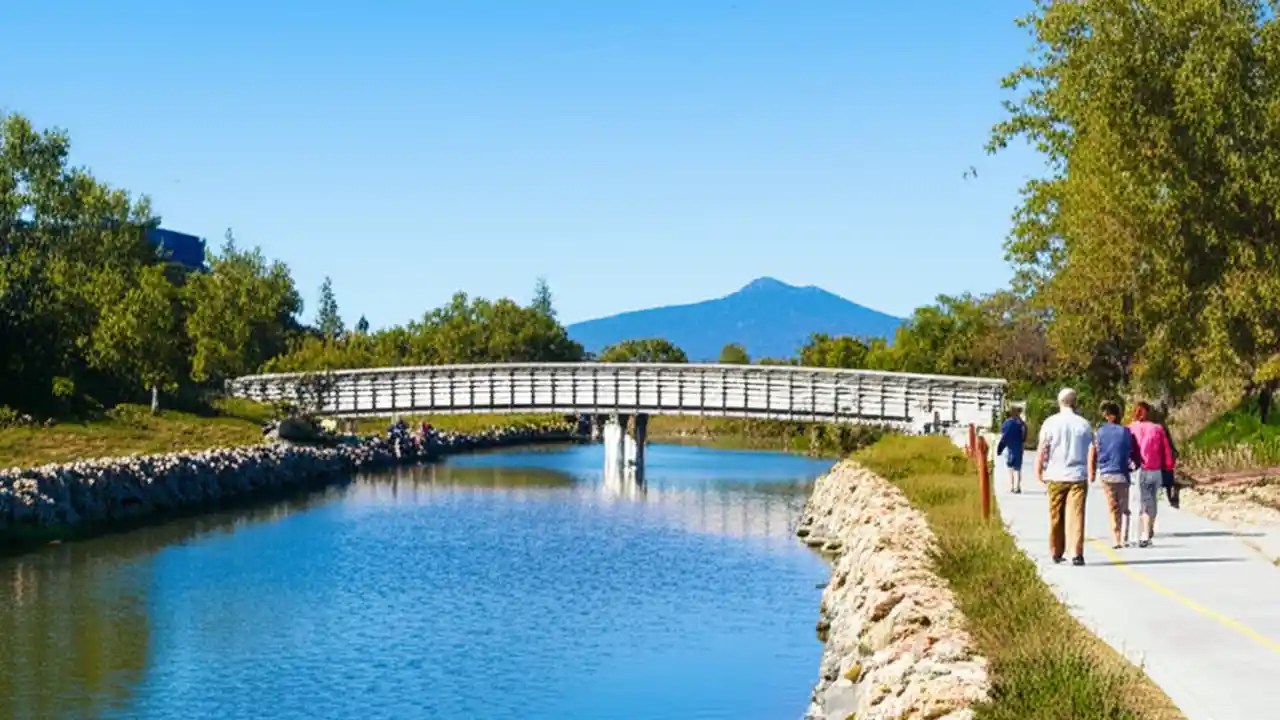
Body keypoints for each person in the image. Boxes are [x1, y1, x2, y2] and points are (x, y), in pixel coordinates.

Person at [1036, 387, 1095, 566]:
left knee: (1056, 514)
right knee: (1076, 514)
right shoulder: (1084, 424)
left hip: (1055, 474)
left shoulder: (1050, 423)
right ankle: (1076, 553)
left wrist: (1039, 470)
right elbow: (1092, 449)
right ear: (1075, 402)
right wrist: (1092, 471)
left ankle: (1056, 550)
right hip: (1077, 475)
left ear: (1059, 402)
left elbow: (1043, 447)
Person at [1088, 402, 1142, 548]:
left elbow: (1093, 453)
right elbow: (1136, 453)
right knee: (1124, 507)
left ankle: (1116, 538)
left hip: (1106, 474)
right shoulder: (1127, 432)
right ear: (1119, 415)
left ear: (1107, 416)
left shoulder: (1099, 432)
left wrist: (1092, 472)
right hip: (1123, 474)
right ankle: (1124, 537)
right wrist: (1134, 466)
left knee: (1112, 507)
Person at [1128, 402, 1175, 548]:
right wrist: (1168, 465)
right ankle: (1148, 529)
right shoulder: (1158, 429)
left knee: (1139, 503)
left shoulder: (1129, 429)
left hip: (1138, 470)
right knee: (1152, 500)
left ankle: (1141, 534)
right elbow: (1166, 450)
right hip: (1155, 470)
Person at [996, 406, 1027, 493]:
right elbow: (1024, 437)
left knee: (1010, 468)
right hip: (1019, 448)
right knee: (1018, 468)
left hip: (1009, 448)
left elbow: (1004, 436)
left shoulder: (1007, 423)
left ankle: (1012, 486)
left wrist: (1000, 448)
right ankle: (1017, 486)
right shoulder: (1022, 424)